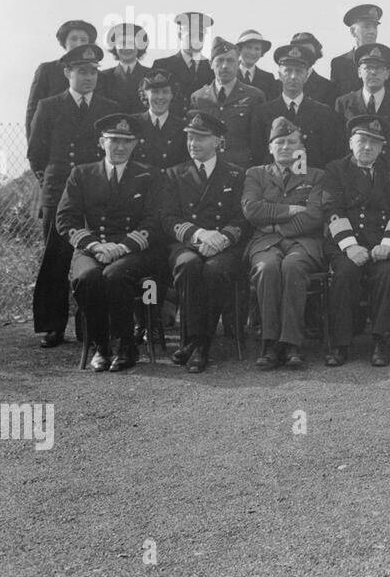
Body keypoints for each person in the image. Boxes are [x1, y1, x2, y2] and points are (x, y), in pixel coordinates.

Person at [28, 42, 118, 347]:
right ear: (68, 72)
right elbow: (37, 154)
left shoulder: (107, 107)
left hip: (95, 193)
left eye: (93, 71)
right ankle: (53, 326)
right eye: (82, 71)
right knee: (56, 259)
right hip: (58, 192)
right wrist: (52, 184)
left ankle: (88, 326)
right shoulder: (50, 106)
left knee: (92, 258)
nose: (89, 77)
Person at [56, 113, 160, 372]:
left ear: (135, 144)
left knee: (115, 275)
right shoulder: (81, 174)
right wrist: (94, 246)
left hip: (134, 249)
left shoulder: (149, 175)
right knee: (86, 277)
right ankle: (100, 346)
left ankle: (127, 346)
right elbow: (65, 219)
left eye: (127, 141)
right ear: (102, 142)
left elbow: (153, 221)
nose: (120, 147)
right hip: (93, 246)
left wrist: (122, 246)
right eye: (114, 140)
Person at [157, 110, 248, 373]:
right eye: (190, 138)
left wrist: (222, 237)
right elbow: (168, 217)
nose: (193, 144)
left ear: (218, 141)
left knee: (215, 270)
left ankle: (196, 344)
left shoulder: (235, 174)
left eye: (201, 138)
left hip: (224, 244)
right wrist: (198, 234)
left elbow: (242, 217)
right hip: (188, 243)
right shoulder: (173, 174)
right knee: (188, 266)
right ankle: (198, 342)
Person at [322, 115, 390, 368]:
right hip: (346, 244)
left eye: (375, 143)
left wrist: (388, 244)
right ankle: (341, 344)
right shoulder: (335, 169)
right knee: (344, 274)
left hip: (383, 243)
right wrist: (350, 246)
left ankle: (380, 341)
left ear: (382, 147)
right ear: (351, 143)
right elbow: (332, 210)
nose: (367, 147)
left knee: (388, 274)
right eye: (362, 141)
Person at [242, 117, 328, 371]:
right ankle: (269, 342)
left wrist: (277, 225)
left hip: (303, 242)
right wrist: (291, 208)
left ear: (302, 147)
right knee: (267, 268)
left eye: (292, 142)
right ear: (270, 147)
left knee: (293, 267)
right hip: (265, 243)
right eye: (279, 142)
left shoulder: (316, 175)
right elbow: (251, 209)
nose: (285, 147)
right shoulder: (256, 173)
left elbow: (314, 215)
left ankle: (292, 344)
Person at [253, 41, 345, 169]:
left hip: (312, 182)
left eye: (299, 71)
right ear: (279, 75)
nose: (293, 76)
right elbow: (257, 155)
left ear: (307, 75)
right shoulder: (263, 113)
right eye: (288, 71)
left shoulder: (324, 114)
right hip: (273, 183)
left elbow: (330, 155)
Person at [190, 37, 266, 169]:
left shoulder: (254, 96)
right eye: (220, 60)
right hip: (208, 169)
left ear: (238, 63)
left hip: (242, 170)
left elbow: (259, 143)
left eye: (230, 61)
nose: (225, 66)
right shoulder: (199, 98)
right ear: (211, 64)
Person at [332, 42, 390, 155]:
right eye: (368, 68)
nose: (374, 72)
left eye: (379, 68)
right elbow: (339, 144)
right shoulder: (343, 103)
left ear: (387, 74)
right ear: (359, 72)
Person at [26, 19, 97, 133]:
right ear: (65, 42)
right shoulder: (47, 70)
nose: (78, 43)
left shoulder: (95, 75)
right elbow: (32, 112)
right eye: (73, 39)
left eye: (83, 40)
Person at [330, 3, 390, 98]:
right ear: (353, 31)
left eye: (375, 27)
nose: (372, 31)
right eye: (366, 26)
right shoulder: (339, 63)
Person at [135, 71, 190, 171]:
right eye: (155, 92)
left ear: (172, 95)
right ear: (145, 94)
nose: (160, 97)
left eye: (165, 92)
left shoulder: (183, 127)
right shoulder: (134, 123)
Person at [152, 12, 214, 98]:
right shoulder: (162, 66)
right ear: (180, 35)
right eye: (191, 35)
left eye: (200, 36)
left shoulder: (211, 67)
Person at [96, 22, 153, 113]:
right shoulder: (103, 76)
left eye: (131, 43)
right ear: (114, 47)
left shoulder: (151, 74)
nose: (127, 48)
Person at [287, 32, 339, 108]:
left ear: (316, 54)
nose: (303, 55)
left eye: (308, 51)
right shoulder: (277, 85)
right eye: (300, 50)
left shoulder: (329, 88)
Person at [236, 29, 280, 99]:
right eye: (248, 47)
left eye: (257, 49)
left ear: (261, 53)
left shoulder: (268, 78)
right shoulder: (230, 75)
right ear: (239, 50)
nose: (252, 52)